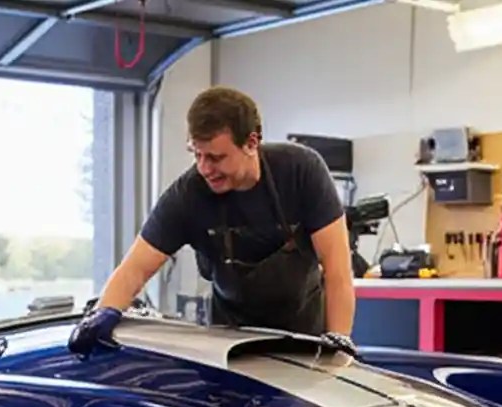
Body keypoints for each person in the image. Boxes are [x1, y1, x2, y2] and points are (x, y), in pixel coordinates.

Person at [68, 85, 357, 356]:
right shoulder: (189, 195)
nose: (205, 169)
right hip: (231, 344)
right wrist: (104, 314)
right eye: (197, 155)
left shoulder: (300, 171)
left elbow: (337, 270)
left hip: (305, 337)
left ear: (251, 143)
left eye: (216, 158)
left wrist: (338, 344)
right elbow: (134, 269)